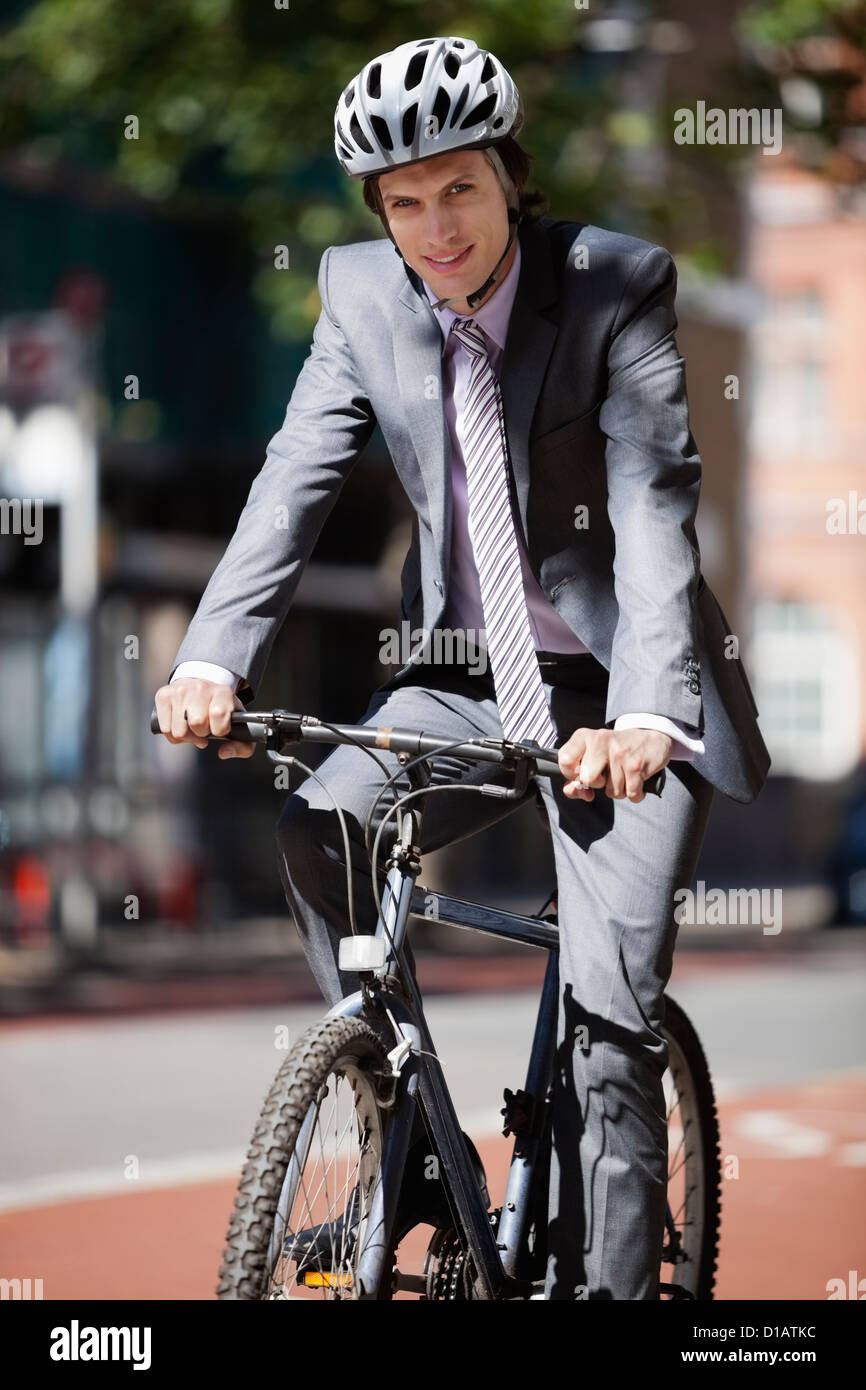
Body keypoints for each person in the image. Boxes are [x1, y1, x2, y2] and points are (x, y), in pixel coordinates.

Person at [155, 36, 771, 1299]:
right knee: (325, 813)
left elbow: (654, 512)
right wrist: (210, 654)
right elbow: (291, 489)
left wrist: (651, 710)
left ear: (508, 179)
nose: (434, 228)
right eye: (403, 201)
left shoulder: (613, 286)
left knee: (606, 1033)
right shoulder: (360, 298)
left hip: (618, 693)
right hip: (460, 677)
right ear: (376, 212)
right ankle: (405, 1141)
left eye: (458, 190)